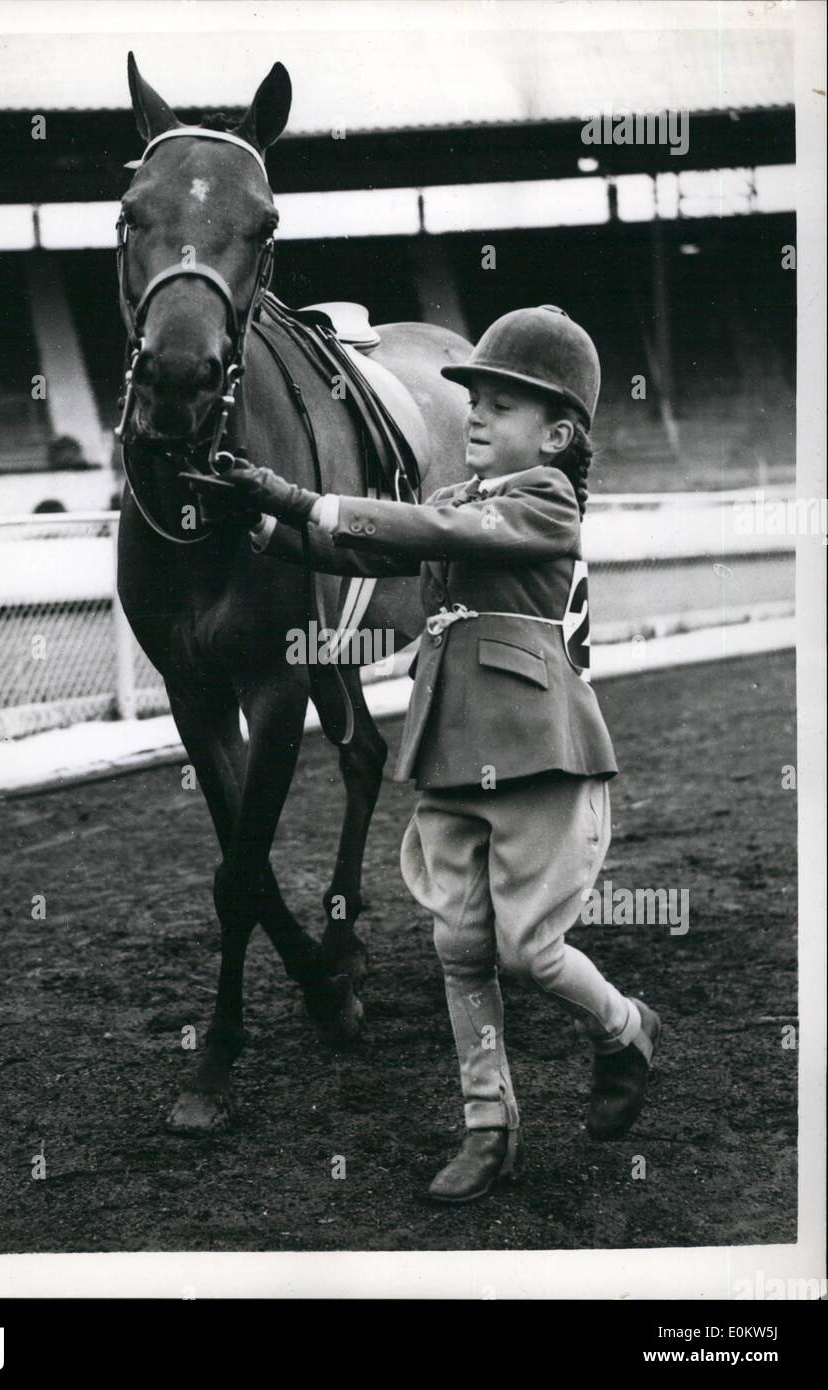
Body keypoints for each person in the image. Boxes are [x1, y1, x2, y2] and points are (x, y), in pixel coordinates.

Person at [188, 305, 661, 1203]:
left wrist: (297, 496)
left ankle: (624, 1023)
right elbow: (377, 547)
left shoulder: (544, 502)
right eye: (473, 397)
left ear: (558, 435)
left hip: (541, 762)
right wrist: (263, 527)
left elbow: (424, 536)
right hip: (449, 755)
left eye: (501, 404)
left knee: (526, 953)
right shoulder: (461, 502)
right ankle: (488, 1126)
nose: (474, 414)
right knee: (459, 947)